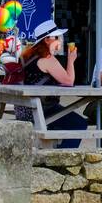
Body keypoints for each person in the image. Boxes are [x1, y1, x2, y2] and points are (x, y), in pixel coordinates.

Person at [15, 20, 87, 149]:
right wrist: (71, 60)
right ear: (47, 39)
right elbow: (69, 82)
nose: (60, 40)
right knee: (79, 123)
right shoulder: (47, 58)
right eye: (57, 37)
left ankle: (54, 152)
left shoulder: (26, 55)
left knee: (64, 119)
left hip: (23, 109)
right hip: (39, 110)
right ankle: (62, 159)